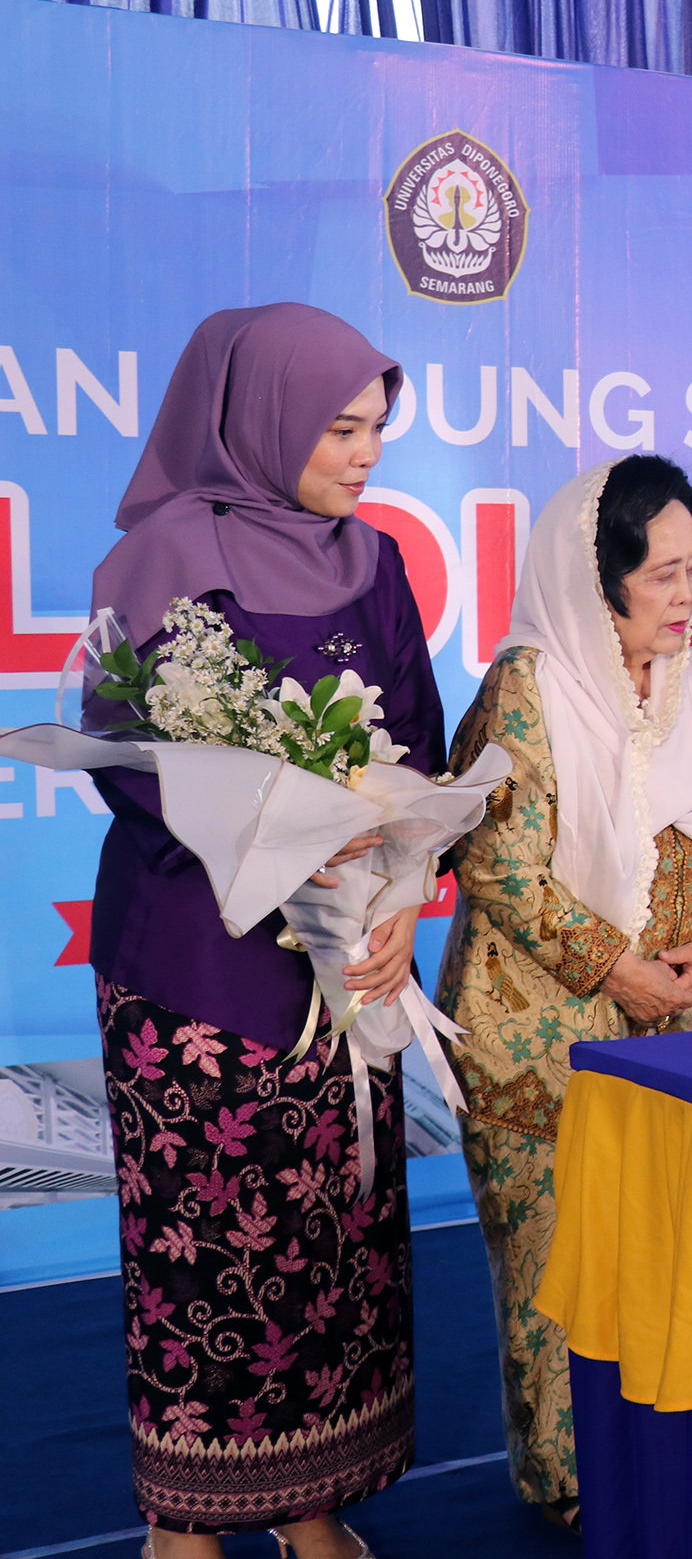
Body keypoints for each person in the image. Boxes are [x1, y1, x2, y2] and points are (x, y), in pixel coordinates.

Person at [81, 304, 440, 1559]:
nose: (367, 455)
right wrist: (280, 842)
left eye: (377, 428)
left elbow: (419, 757)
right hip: (193, 965)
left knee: (335, 1233)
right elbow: (139, 765)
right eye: (343, 428)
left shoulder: (374, 559)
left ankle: (310, 1500)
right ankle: (186, 1521)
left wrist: (396, 899)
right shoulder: (163, 558)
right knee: (205, 1243)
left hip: (345, 963)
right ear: (264, 417)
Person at [435, 456, 692, 1529]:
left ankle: (674, 1446)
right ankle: (567, 1476)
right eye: (660, 574)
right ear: (594, 578)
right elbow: (496, 865)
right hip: (540, 1027)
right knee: (552, 1259)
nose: (685, 596)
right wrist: (618, 968)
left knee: (680, 1244)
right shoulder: (530, 684)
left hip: (679, 1017)